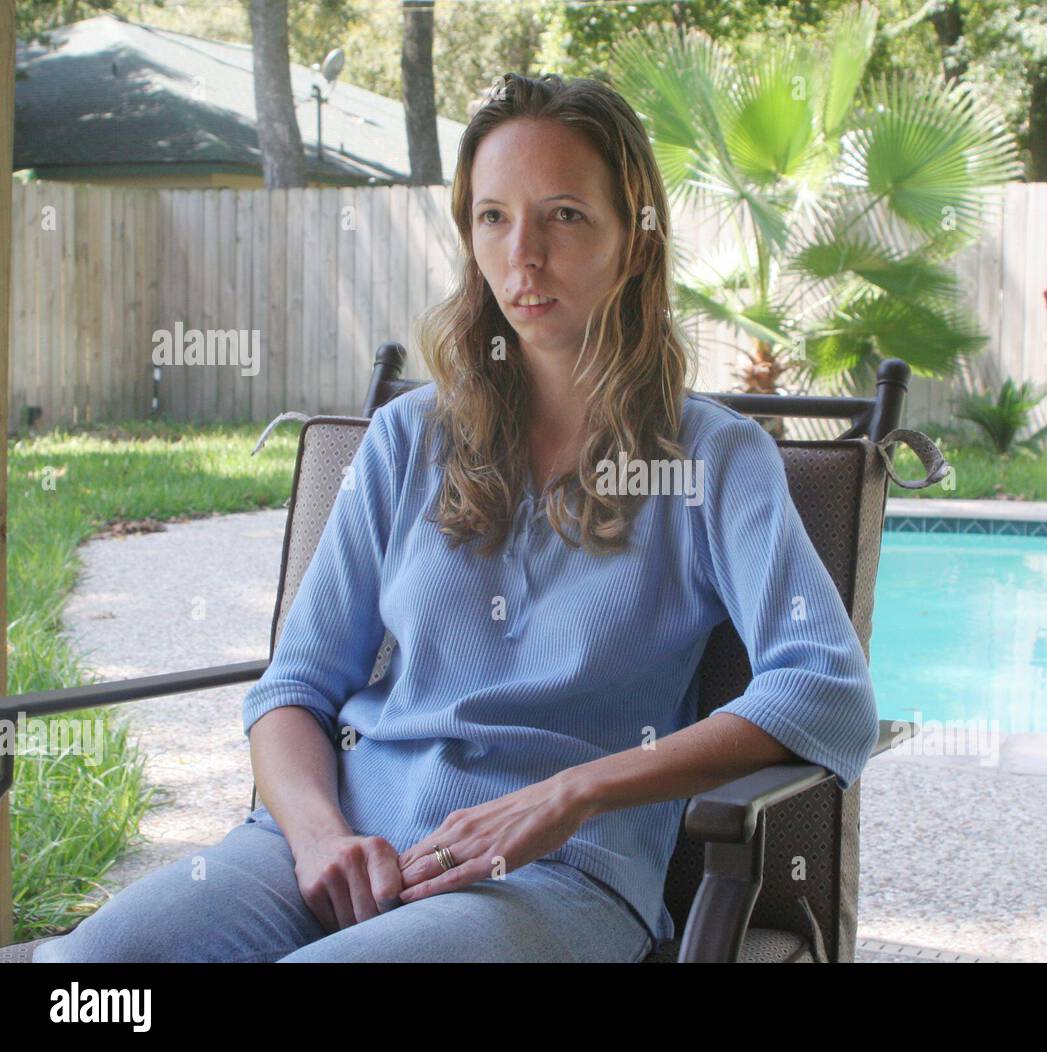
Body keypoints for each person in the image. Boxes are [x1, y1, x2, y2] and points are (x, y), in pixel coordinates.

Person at [34, 71, 879, 964]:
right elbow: (293, 688)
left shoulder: (714, 459)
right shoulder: (406, 439)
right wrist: (320, 839)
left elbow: (827, 691)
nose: (525, 256)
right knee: (83, 975)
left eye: (564, 215)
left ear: (635, 240)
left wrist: (567, 796)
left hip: (552, 880)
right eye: (493, 217)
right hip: (333, 851)